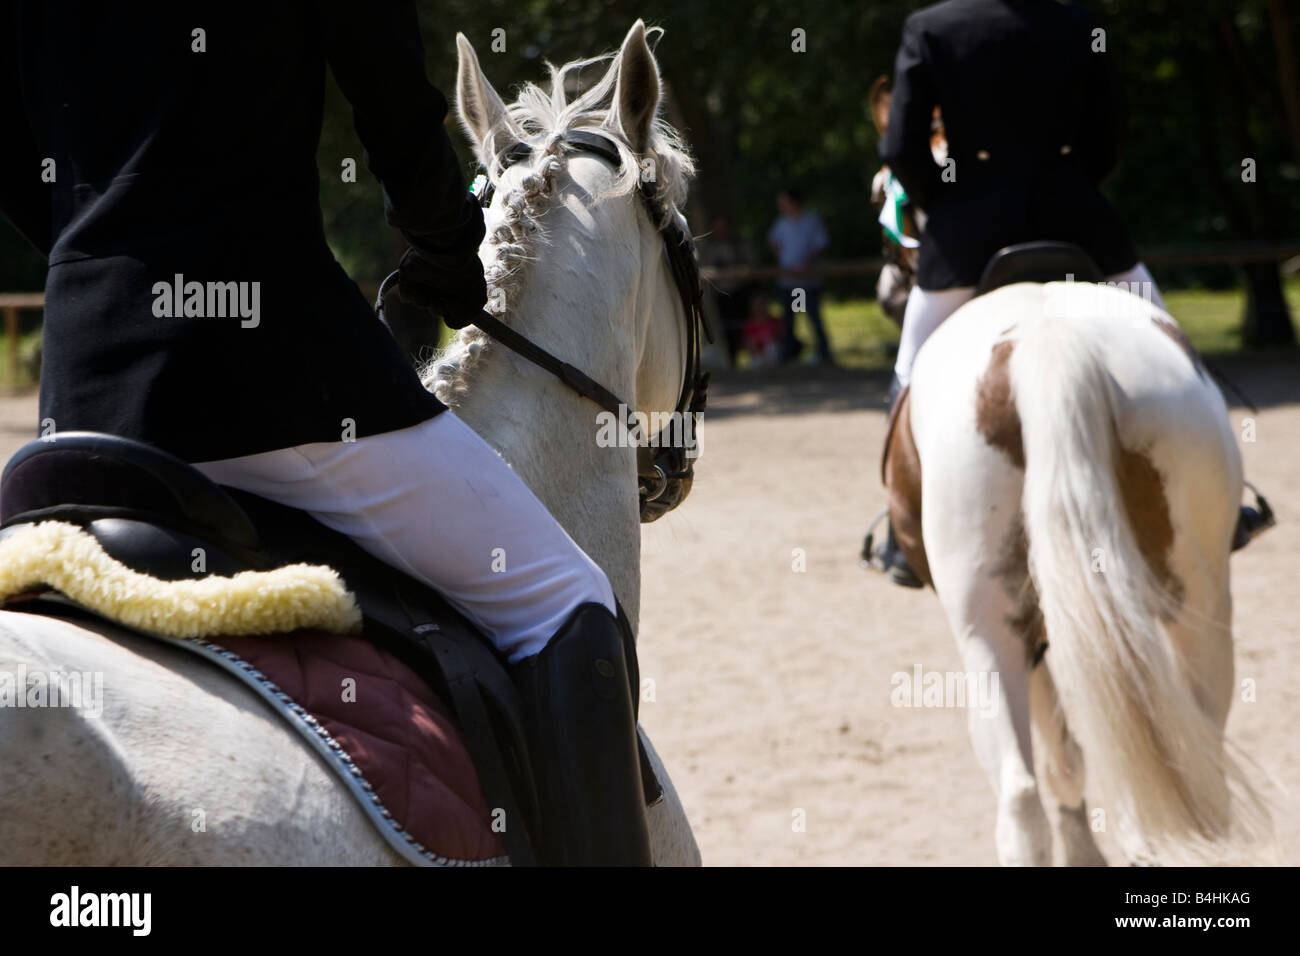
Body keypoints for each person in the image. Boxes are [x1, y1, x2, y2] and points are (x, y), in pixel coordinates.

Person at [0, 0, 649, 865]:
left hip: (86, 392)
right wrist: (449, 251)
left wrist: (107, 254)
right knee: (564, 598)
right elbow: (395, 105)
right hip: (277, 376)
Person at [872, 0, 1166, 585]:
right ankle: (1219, 495)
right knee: (1167, 344)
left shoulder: (932, 28)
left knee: (909, 372)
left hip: (967, 229)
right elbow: (1109, 133)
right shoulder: (1084, 22)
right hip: (1076, 216)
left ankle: (900, 529)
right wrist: (1069, 185)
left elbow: (901, 147)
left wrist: (950, 203)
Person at [768, 187, 833, 364]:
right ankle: (789, 354)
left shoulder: (811, 220)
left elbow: (821, 244)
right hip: (789, 281)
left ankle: (823, 353)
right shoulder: (782, 223)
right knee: (789, 319)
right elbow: (773, 241)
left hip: (807, 280)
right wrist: (784, 260)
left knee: (812, 316)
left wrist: (805, 263)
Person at [699, 216, 754, 366]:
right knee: (726, 326)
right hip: (722, 292)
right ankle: (732, 358)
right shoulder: (712, 248)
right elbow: (708, 267)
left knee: (744, 324)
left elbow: (749, 265)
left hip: (740, 291)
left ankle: (752, 357)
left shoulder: (740, 245)